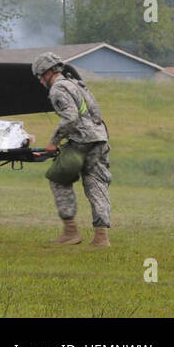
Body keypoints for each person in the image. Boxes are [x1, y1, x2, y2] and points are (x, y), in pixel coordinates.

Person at [32, 52, 112, 247]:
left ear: (49, 72)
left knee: (58, 179)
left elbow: (70, 118)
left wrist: (54, 142)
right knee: (97, 186)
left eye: (41, 77)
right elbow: (96, 113)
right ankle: (101, 237)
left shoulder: (58, 89)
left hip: (80, 143)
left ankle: (70, 231)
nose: (41, 82)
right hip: (100, 140)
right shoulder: (77, 84)